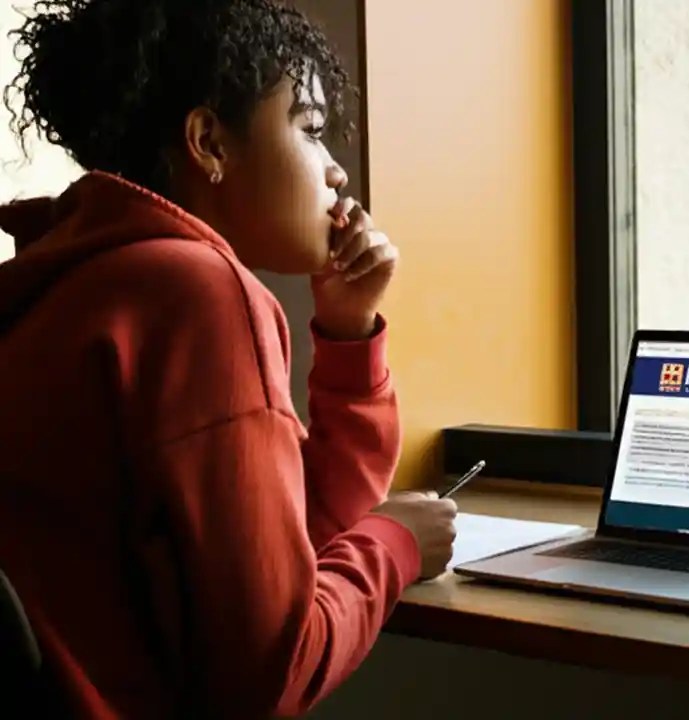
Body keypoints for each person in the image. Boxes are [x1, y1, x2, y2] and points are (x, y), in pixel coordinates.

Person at [0, 1, 457, 716]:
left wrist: (346, 330)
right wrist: (395, 546)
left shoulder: (72, 283)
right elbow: (270, 674)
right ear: (208, 142)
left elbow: (291, 538)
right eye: (309, 130)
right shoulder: (198, 294)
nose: (335, 171)